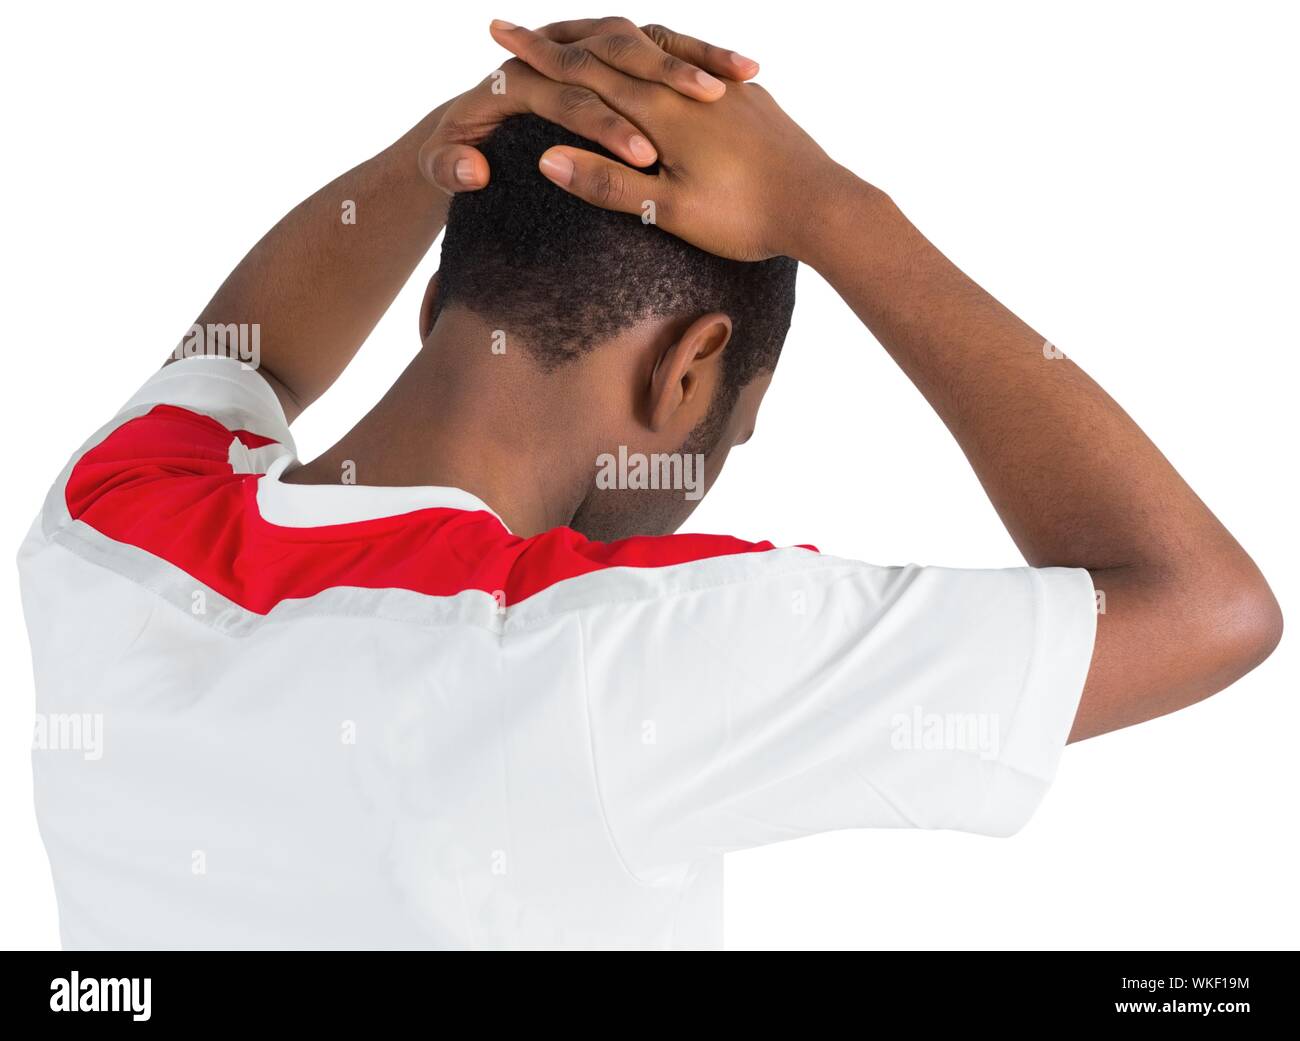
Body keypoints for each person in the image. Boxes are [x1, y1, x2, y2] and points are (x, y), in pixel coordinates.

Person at [19, 17, 1281, 950]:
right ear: (692, 372)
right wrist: (835, 211)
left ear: (433, 314)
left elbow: (255, 350)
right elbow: (1205, 607)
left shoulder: (107, 526)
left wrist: (434, 158)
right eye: (736, 428)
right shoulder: (607, 651)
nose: (719, 468)